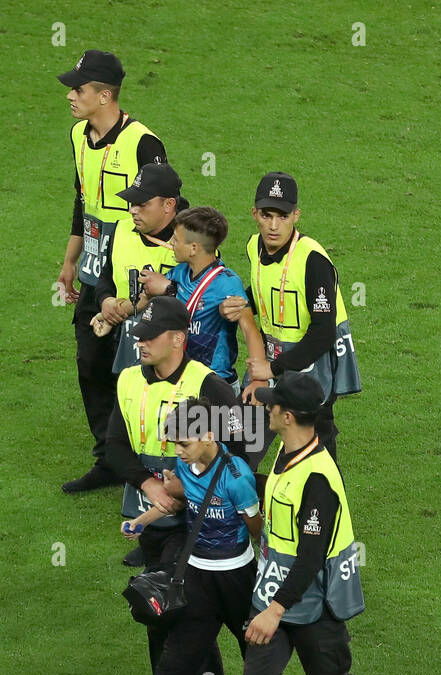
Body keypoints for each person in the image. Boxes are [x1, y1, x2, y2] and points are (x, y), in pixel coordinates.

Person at [209, 371, 428, 675]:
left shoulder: (319, 481)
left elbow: (310, 558)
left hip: (311, 602)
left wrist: (273, 610)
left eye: (272, 406)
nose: (266, 408)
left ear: (287, 417)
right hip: (276, 594)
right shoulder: (290, 454)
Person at [93, 398, 300, 675]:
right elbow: (174, 503)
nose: (178, 452)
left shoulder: (237, 478)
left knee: (257, 659)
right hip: (198, 581)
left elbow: (258, 532)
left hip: (238, 580)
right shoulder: (184, 468)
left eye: (183, 443)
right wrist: (139, 522)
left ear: (208, 434)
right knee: (174, 665)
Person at [105, 298, 249, 675]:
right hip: (154, 520)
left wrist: (195, 487)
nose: (140, 343)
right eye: (138, 336)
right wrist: (149, 485)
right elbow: (114, 446)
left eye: (149, 338)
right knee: (175, 613)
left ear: (178, 339)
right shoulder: (129, 379)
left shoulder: (208, 386)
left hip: (193, 526)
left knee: (163, 609)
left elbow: (248, 442)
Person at [56, 50, 167, 494]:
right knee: (90, 360)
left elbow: (167, 204)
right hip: (93, 268)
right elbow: (82, 200)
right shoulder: (78, 136)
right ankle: (109, 457)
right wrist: (70, 260)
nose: (70, 96)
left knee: (140, 368)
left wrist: (154, 278)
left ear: (105, 96)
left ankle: (147, 462)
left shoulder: (143, 143)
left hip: (134, 269)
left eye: (78, 89)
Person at [221, 172, 361, 465]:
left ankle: (324, 505)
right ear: (254, 213)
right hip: (273, 359)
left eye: (282, 216)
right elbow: (270, 287)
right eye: (266, 215)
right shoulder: (253, 246)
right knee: (240, 438)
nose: (273, 225)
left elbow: (322, 333)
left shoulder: (313, 260)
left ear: (296, 215)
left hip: (312, 365)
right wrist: (244, 302)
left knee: (314, 453)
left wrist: (273, 368)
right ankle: (243, 501)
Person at [88, 161, 187, 566]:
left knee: (177, 441)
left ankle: (182, 533)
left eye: (141, 204)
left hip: (178, 362)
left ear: (168, 206)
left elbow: (202, 297)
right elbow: (107, 281)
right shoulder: (125, 232)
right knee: (141, 431)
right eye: (131, 202)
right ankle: (150, 535)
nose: (133, 210)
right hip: (134, 354)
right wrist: (107, 302)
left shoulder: (188, 244)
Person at [135, 207, 268, 395]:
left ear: (194, 248)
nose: (171, 243)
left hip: (215, 381)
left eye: (176, 239)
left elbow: (249, 330)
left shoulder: (227, 283)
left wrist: (258, 380)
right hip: (182, 378)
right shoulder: (179, 272)